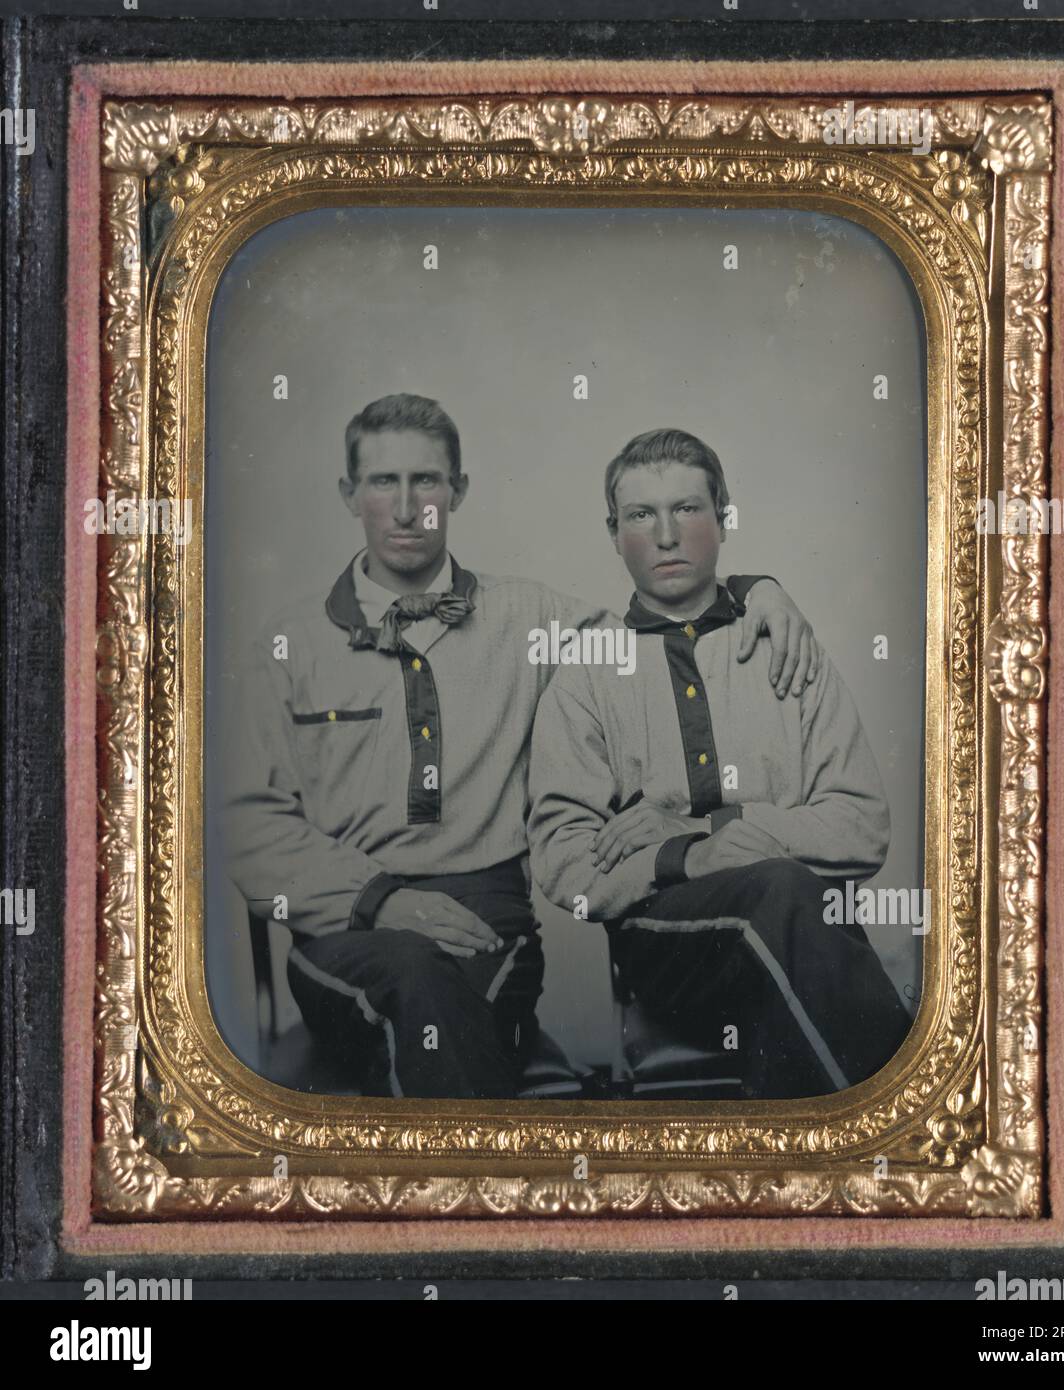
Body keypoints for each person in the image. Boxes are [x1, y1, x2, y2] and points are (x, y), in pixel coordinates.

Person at [222, 395, 821, 1098]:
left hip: (491, 924)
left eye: (428, 482)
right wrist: (377, 902)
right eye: (384, 482)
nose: (408, 506)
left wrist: (757, 590)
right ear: (350, 494)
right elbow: (249, 827)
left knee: (447, 1020)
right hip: (343, 934)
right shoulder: (287, 645)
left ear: (458, 491)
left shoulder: (529, 617)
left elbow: (651, 630)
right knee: (415, 987)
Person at [527, 428, 913, 1098]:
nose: (667, 535)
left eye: (687, 509)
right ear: (614, 532)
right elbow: (565, 866)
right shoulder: (585, 675)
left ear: (723, 518)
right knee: (787, 894)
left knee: (788, 898)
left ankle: (826, 1154)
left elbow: (862, 826)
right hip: (671, 951)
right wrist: (678, 863)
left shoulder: (784, 649)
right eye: (642, 516)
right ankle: (891, 1135)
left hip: (800, 926)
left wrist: (711, 831)